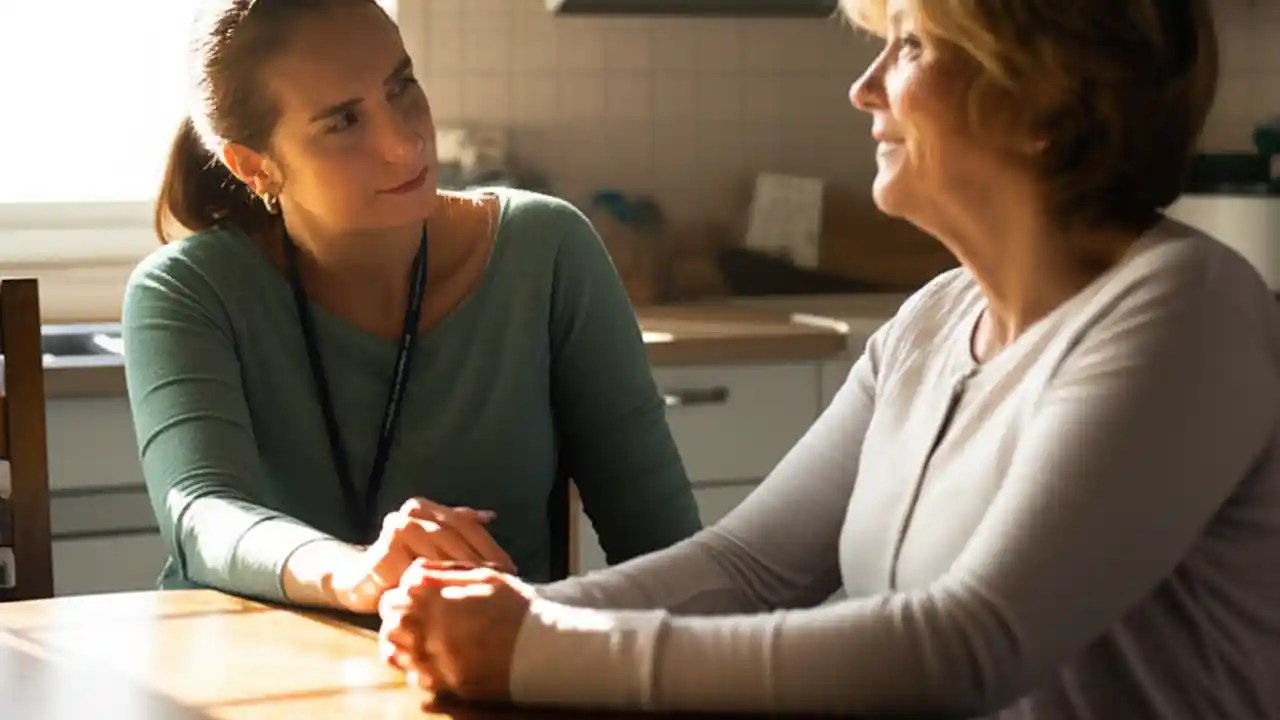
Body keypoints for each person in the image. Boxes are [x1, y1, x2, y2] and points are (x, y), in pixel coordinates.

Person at [377, 0, 1280, 716]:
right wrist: (510, 614)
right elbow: (748, 568)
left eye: (914, 48)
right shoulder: (935, 317)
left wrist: (534, 650)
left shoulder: (1185, 311)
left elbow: (968, 647)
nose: (865, 88)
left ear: (1045, 103)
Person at [123, 0, 701, 615]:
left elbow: (665, 545)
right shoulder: (187, 291)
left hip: (478, 680)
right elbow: (202, 514)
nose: (405, 141)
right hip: (248, 683)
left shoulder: (546, 251)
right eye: (343, 121)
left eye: (401, 86)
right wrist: (353, 572)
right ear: (254, 167)